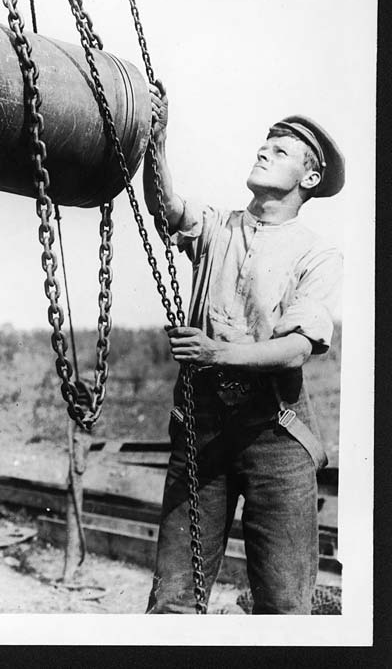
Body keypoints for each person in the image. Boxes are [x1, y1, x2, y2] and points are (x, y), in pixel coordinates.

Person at [143, 81, 344, 614]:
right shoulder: (217, 226)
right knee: (172, 602)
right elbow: (165, 208)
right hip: (201, 430)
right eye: (263, 144)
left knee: (282, 608)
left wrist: (215, 354)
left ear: (309, 178)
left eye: (280, 151)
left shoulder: (316, 254)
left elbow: (297, 348)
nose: (263, 151)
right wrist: (155, 141)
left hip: (276, 435)